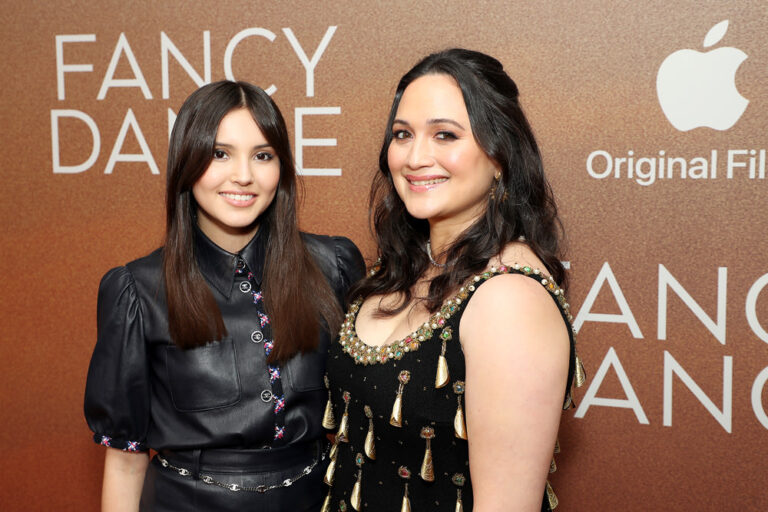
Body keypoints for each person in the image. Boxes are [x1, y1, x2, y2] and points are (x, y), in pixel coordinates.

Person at [323, 49, 585, 512]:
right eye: (402, 134)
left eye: (445, 134)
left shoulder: (508, 297)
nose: (416, 156)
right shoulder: (404, 268)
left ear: (500, 153)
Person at [84, 80, 365, 512]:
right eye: (220, 154)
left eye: (263, 155)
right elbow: (125, 459)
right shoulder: (137, 290)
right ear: (187, 162)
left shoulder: (334, 265)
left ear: (282, 167)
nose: (244, 175)